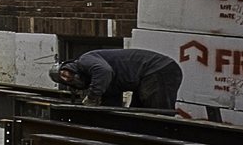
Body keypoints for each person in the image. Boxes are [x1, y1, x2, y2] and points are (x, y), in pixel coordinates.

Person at [52, 46, 183, 110]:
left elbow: (104, 71)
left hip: (158, 69)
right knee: (138, 115)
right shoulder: (101, 83)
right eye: (62, 81)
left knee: (157, 115)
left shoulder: (85, 60)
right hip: (146, 76)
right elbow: (112, 106)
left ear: (68, 66)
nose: (66, 79)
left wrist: (92, 97)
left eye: (63, 74)